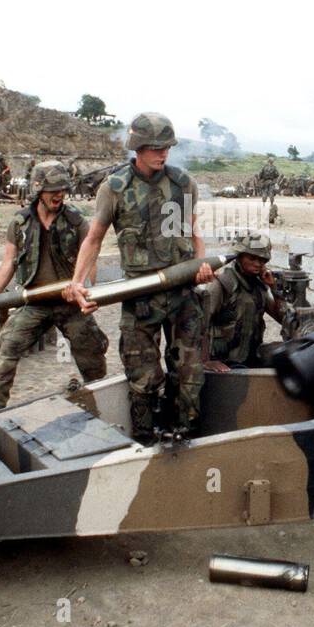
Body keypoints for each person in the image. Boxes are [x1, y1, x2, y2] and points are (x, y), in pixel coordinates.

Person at [63, 113, 215, 440]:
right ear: (138, 148)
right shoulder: (115, 188)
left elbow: (194, 230)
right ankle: (144, 442)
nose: (163, 154)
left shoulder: (183, 183)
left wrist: (200, 267)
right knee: (143, 379)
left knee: (189, 375)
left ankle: (186, 439)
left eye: (167, 148)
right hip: (140, 298)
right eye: (155, 148)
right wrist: (78, 283)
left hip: (183, 296)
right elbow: (93, 238)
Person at [0, 161, 108, 411]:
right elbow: (8, 263)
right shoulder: (20, 223)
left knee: (92, 357)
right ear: (37, 190)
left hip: (69, 302)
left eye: (63, 189)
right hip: (32, 302)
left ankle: (103, 405)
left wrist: (85, 290)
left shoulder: (76, 221)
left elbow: (90, 259)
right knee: (7, 352)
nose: (59, 195)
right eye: (53, 189)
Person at [199, 233, 287, 370]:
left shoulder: (259, 287)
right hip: (224, 361)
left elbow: (283, 318)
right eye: (252, 258)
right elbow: (199, 324)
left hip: (250, 358)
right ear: (239, 256)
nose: (258, 264)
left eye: (262, 260)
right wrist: (205, 361)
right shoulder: (223, 284)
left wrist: (274, 289)